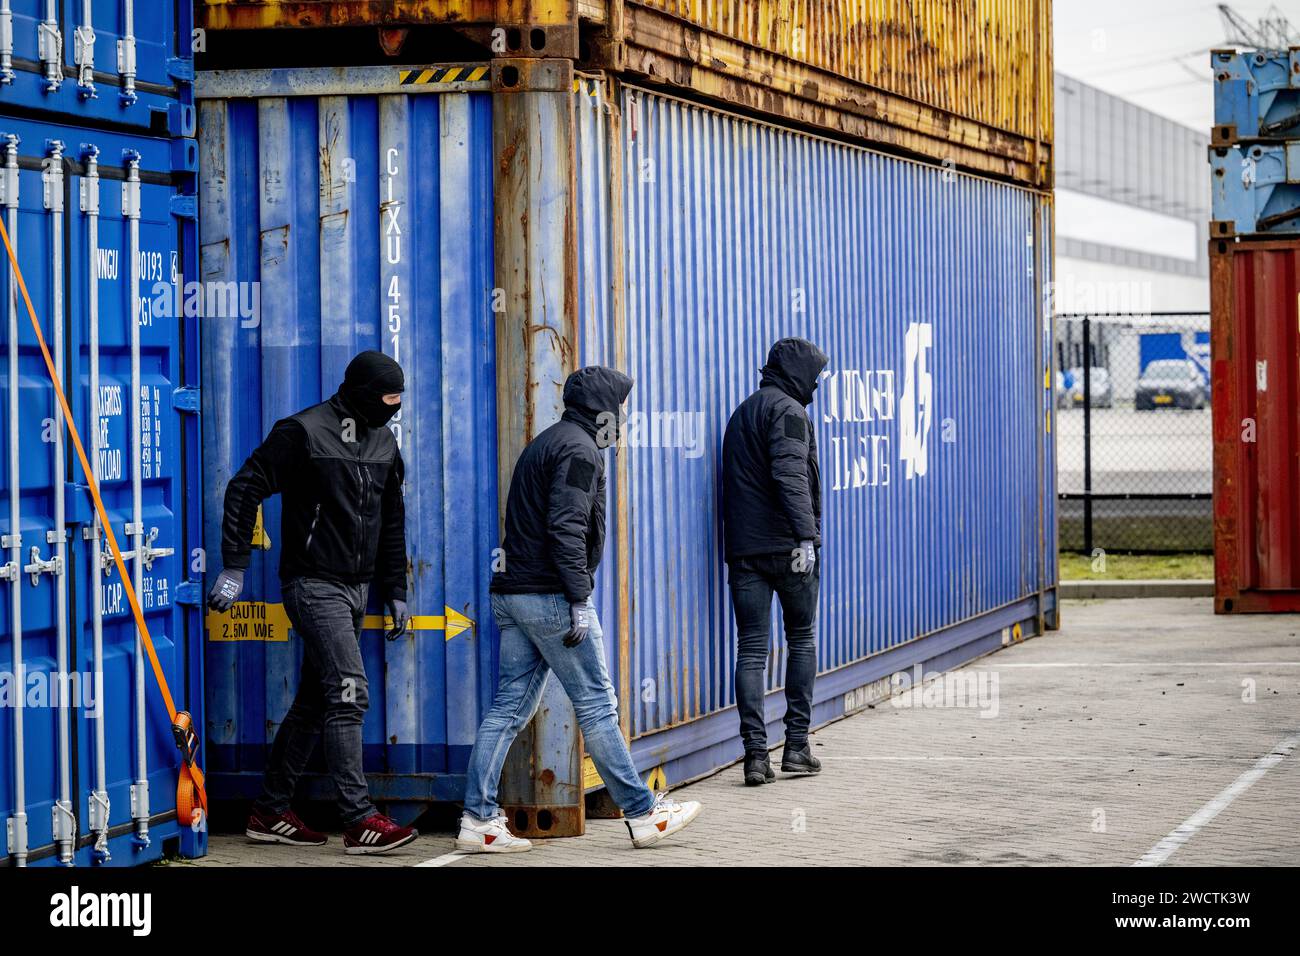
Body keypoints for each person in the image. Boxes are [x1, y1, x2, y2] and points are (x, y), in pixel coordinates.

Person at [456, 366, 702, 853]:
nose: (625, 418)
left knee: (507, 709)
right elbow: (566, 529)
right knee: (597, 705)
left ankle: (478, 820)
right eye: (621, 408)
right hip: (550, 598)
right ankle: (643, 812)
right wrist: (577, 600)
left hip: (513, 595)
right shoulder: (580, 451)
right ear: (602, 410)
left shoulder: (548, 441)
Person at [206, 350, 418, 855]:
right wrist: (235, 565)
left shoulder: (385, 441)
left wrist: (396, 591)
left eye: (398, 401)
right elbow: (244, 488)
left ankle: (270, 810)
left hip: (357, 588)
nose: (394, 409)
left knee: (316, 700)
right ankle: (358, 818)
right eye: (388, 399)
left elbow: (392, 521)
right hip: (311, 584)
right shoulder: (302, 431)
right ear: (364, 393)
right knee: (349, 689)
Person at [721, 337, 829, 786]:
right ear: (798, 372)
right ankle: (798, 748)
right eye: (815, 375)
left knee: (751, 650)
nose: (818, 384)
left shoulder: (742, 412)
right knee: (801, 639)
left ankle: (754, 757)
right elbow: (789, 477)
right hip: (788, 551)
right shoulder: (788, 412)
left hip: (745, 553)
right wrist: (806, 537)